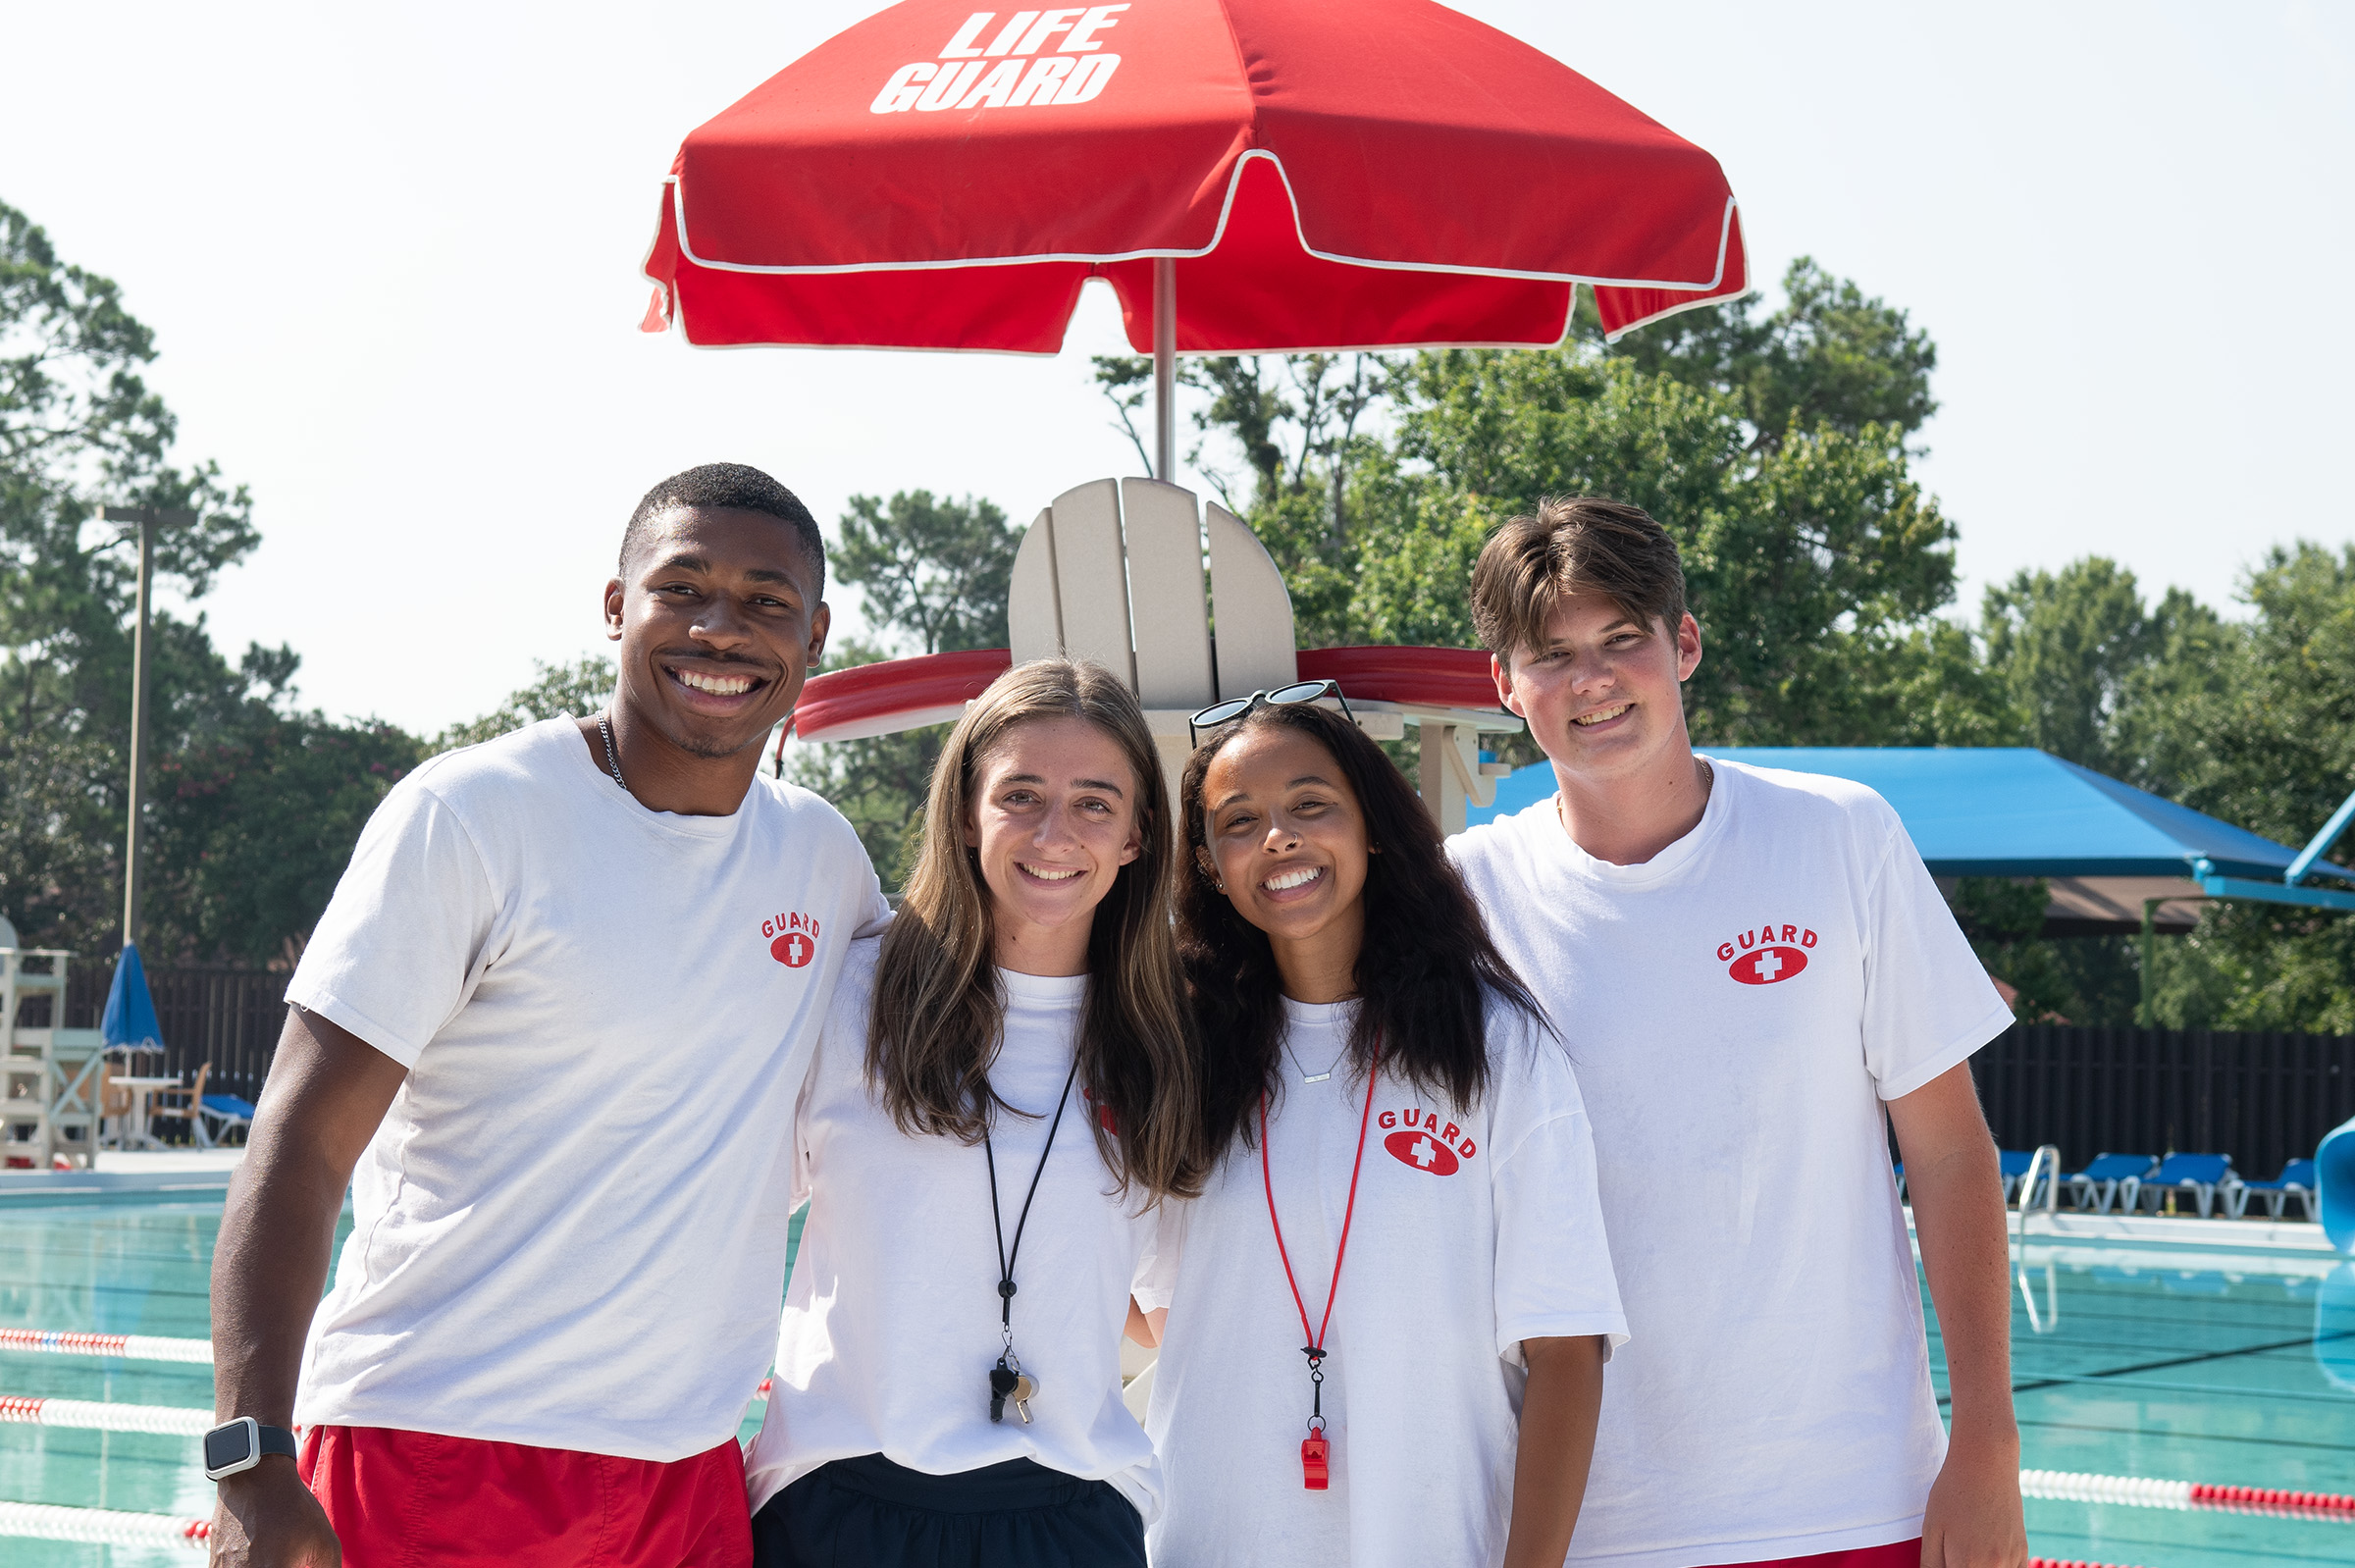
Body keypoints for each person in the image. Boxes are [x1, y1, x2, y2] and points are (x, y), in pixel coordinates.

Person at [205, 463, 888, 1568]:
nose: (723, 628)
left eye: (767, 602)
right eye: (683, 588)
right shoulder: (473, 814)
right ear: (616, 605)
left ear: (814, 635)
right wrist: (249, 1460)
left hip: (690, 1467)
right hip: (436, 1444)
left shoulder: (822, 857)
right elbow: (300, 1140)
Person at [1450, 497, 2027, 1568]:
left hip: (1849, 1496)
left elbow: (1949, 1150)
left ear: (1686, 643)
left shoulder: (1839, 836)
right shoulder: (1465, 898)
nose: (1594, 680)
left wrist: (1988, 1437)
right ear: (1504, 683)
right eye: (1553, 654)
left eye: (1624, 639)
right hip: (1584, 1517)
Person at [1141, 695, 1626, 1568]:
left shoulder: (1493, 1043)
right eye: (1240, 822)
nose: (1279, 838)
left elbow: (1566, 1349)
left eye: (1310, 804)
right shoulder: (1176, 1056)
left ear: (1371, 827)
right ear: (1211, 866)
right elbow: (1140, 1312)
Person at [742, 658, 1204, 1568]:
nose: (1055, 831)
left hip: (1070, 1515)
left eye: (1095, 803)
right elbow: (724, 1220)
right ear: (965, 811)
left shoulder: (1167, 1039)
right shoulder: (850, 991)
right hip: (842, 1501)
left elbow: (1163, 1307)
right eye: (1021, 794)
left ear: (1140, 836)